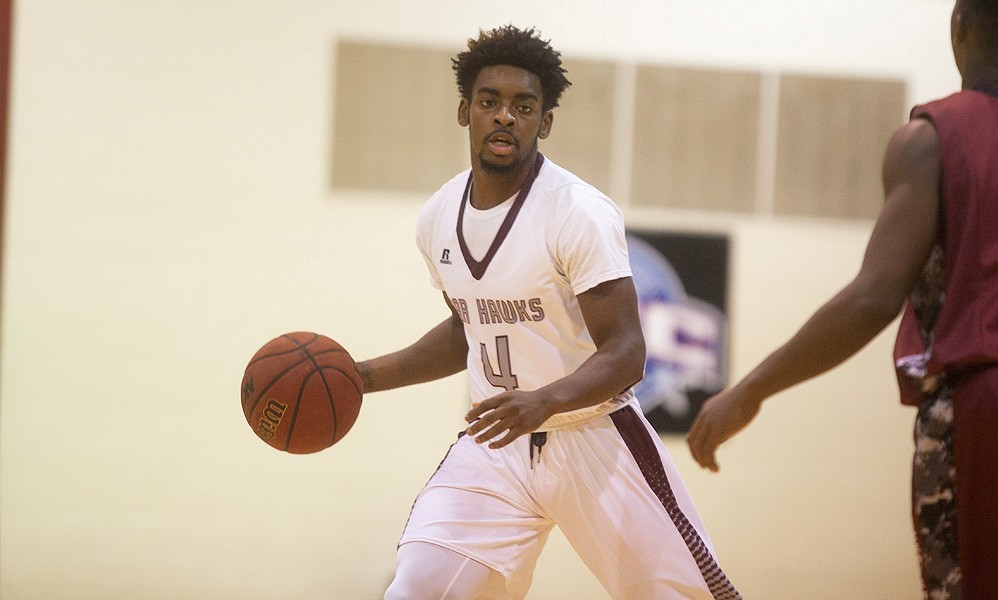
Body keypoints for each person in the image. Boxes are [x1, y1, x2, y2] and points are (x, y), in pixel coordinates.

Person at [355, 25, 741, 600]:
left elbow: (627, 352)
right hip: (497, 442)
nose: (505, 116)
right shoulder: (438, 215)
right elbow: (470, 329)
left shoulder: (577, 213)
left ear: (545, 121)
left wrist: (545, 400)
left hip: (593, 432)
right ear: (466, 111)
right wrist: (361, 378)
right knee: (417, 590)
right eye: (490, 102)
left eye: (523, 105)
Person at [686, 1, 998, 598]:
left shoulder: (933, 138)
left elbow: (873, 298)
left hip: (980, 407)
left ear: (958, 30)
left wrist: (750, 388)